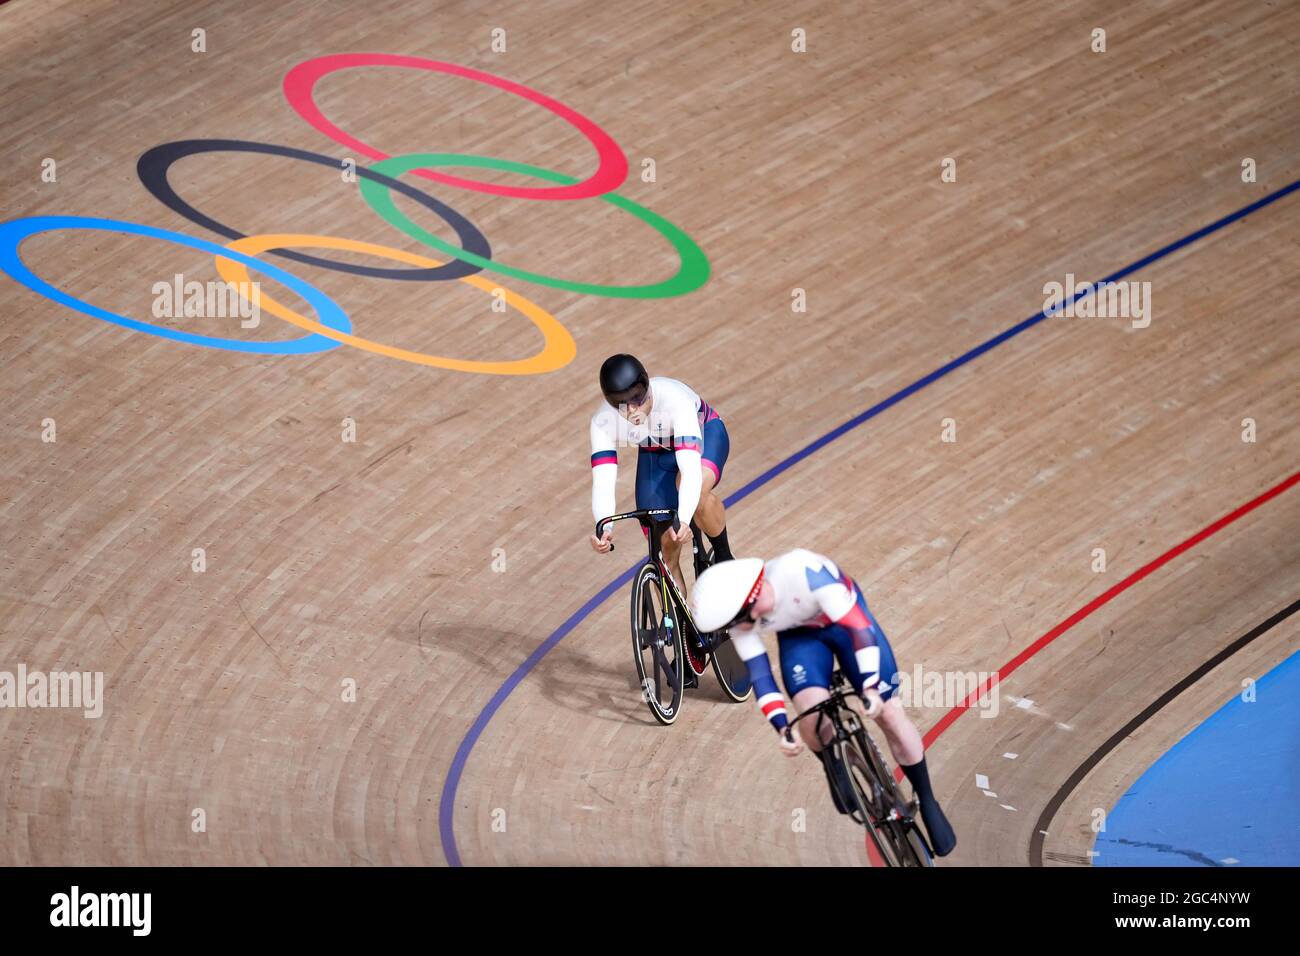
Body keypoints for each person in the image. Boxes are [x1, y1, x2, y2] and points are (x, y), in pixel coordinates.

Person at [689, 550, 957, 856]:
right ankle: (834, 763)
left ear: (756, 591)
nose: (743, 626)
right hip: (800, 639)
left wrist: (869, 687)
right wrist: (780, 728)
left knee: (889, 712)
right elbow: (761, 676)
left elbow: (860, 630)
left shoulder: (801, 572)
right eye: (734, 622)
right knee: (810, 713)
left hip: (846, 625)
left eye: (742, 618)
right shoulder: (742, 617)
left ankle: (927, 797)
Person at [588, 354, 734, 671]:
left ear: (648, 386)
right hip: (655, 455)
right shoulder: (602, 421)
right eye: (621, 404)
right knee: (662, 547)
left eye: (637, 399)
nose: (631, 410)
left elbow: (691, 472)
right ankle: (688, 625)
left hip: (704, 437)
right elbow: (603, 479)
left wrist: (683, 515)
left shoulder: (675, 402)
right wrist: (603, 525)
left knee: (690, 492)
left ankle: (723, 556)